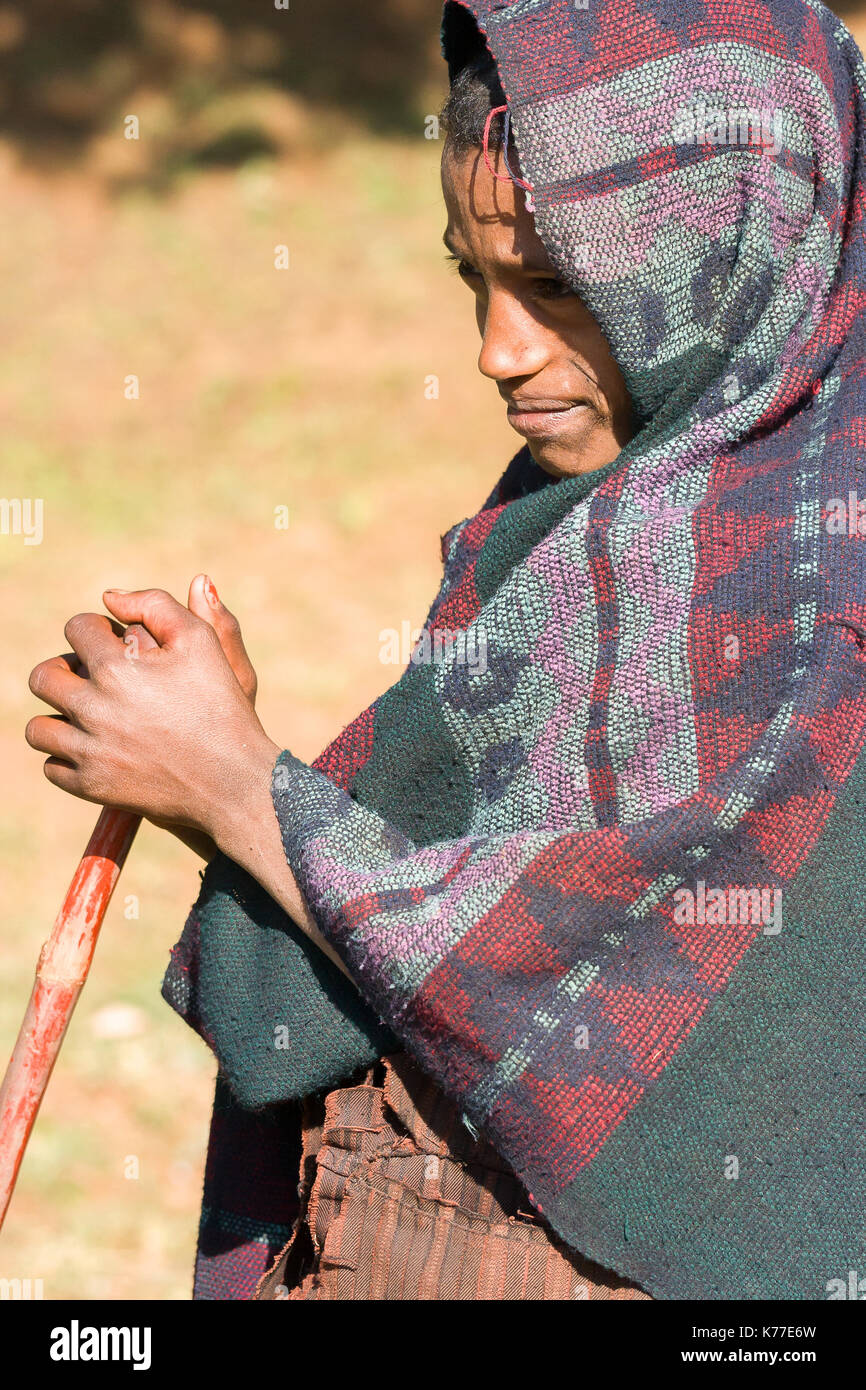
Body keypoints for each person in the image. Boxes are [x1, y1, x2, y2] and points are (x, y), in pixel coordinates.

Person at [25, 0, 866, 1300]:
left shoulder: (821, 591)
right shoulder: (571, 523)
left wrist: (243, 790)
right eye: (472, 279)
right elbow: (417, 922)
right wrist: (216, 776)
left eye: (556, 287)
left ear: (735, 247)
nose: (496, 352)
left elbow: (610, 997)